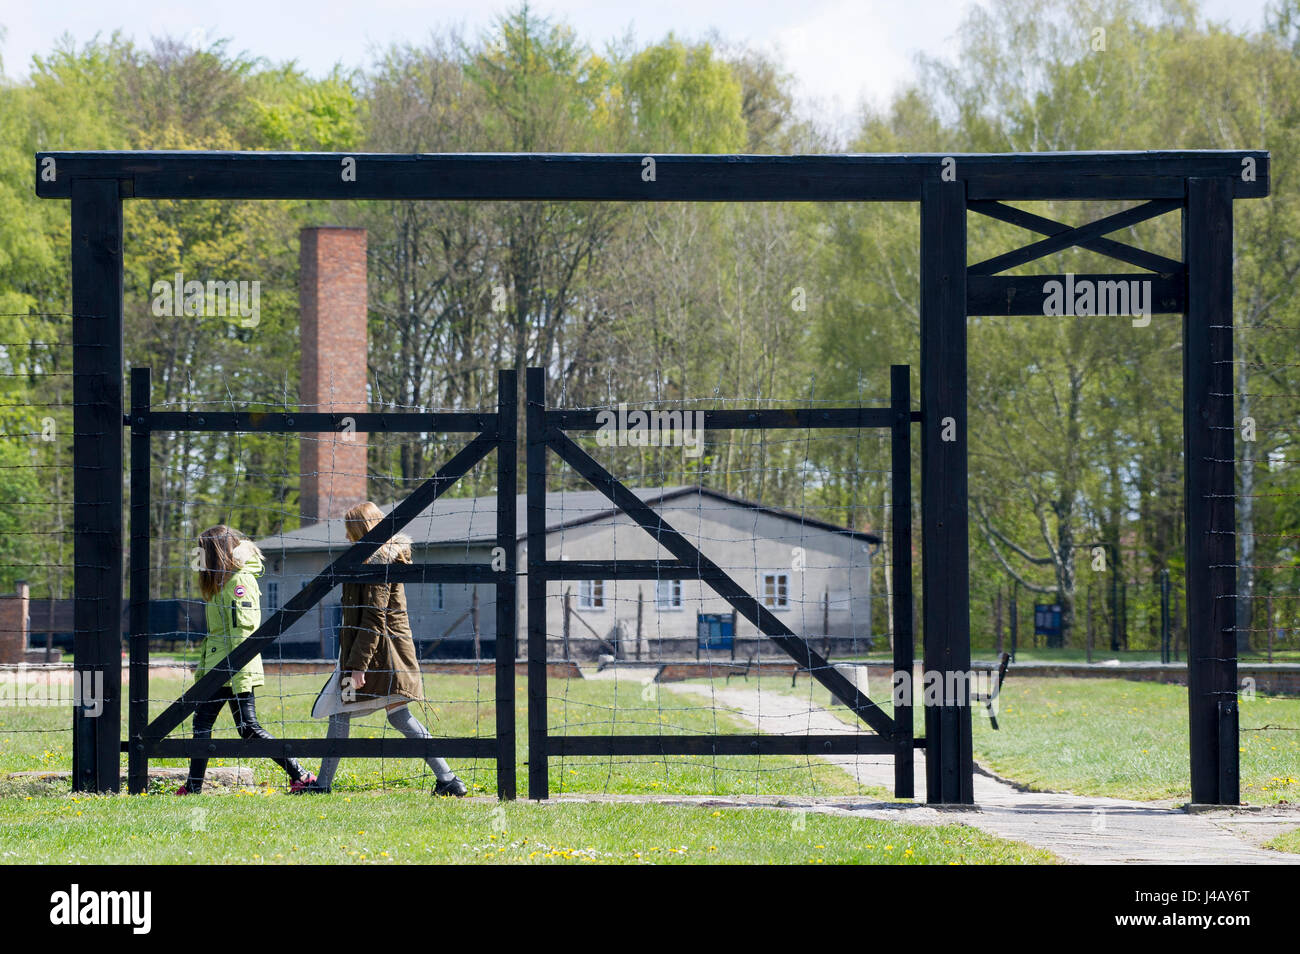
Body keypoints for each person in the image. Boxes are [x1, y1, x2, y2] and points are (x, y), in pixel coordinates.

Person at [301, 501, 467, 797]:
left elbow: (374, 618)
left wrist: (358, 667)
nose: (347, 536)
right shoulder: (370, 560)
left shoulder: (378, 562)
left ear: (362, 530)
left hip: (378, 657)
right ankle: (449, 779)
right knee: (390, 714)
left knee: (344, 711)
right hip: (374, 654)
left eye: (350, 529)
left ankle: (323, 785)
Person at [177, 526, 316, 794]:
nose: (199, 556)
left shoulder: (238, 582)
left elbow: (244, 632)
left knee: (248, 727)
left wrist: (236, 672)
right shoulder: (221, 581)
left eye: (202, 550)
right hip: (217, 667)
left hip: (234, 667)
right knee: (202, 724)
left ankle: (301, 774)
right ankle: (193, 787)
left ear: (215, 552)